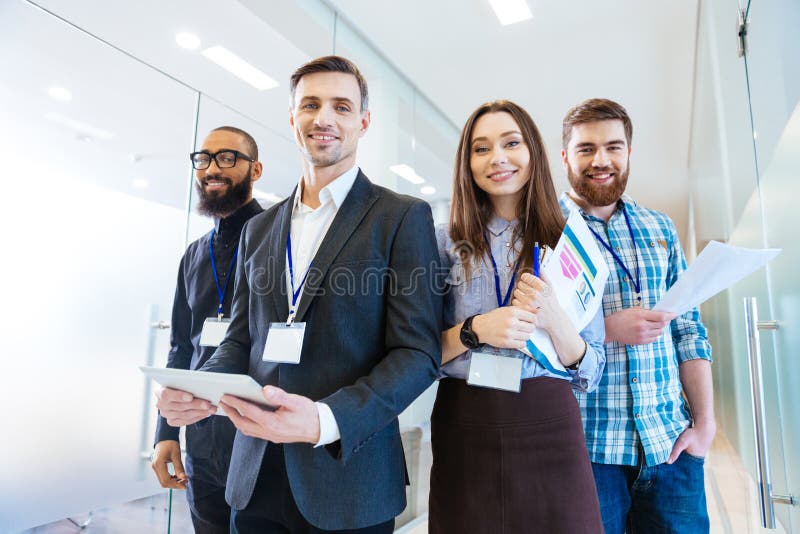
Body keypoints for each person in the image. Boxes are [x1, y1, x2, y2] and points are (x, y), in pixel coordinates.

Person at [156, 56, 442, 534]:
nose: (323, 118)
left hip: (348, 478)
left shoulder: (400, 216)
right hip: (253, 477)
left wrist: (325, 420)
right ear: (292, 118)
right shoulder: (260, 228)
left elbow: (417, 354)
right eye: (310, 104)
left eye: (341, 106)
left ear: (363, 122)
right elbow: (241, 339)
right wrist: (200, 388)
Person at [429, 100, 605, 533]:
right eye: (481, 148)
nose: (498, 159)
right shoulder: (442, 242)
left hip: (549, 420)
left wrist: (555, 319)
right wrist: (475, 331)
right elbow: (416, 353)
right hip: (465, 421)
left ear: (534, 153)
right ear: (466, 162)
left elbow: (593, 368)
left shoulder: (572, 241)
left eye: (511, 143)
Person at [559, 98, 714, 533]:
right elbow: (531, 338)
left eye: (614, 147)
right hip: (589, 451)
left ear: (629, 153)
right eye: (586, 148)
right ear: (565, 156)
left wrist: (704, 423)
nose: (601, 160)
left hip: (671, 446)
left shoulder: (660, 228)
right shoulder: (546, 230)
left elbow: (689, 331)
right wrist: (605, 330)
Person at [151, 126, 264, 533]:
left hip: (258, 439)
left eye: (228, 158)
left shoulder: (280, 240)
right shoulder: (194, 254)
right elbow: (181, 348)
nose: (213, 169)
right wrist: (166, 432)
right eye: (205, 158)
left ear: (257, 170)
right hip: (201, 442)